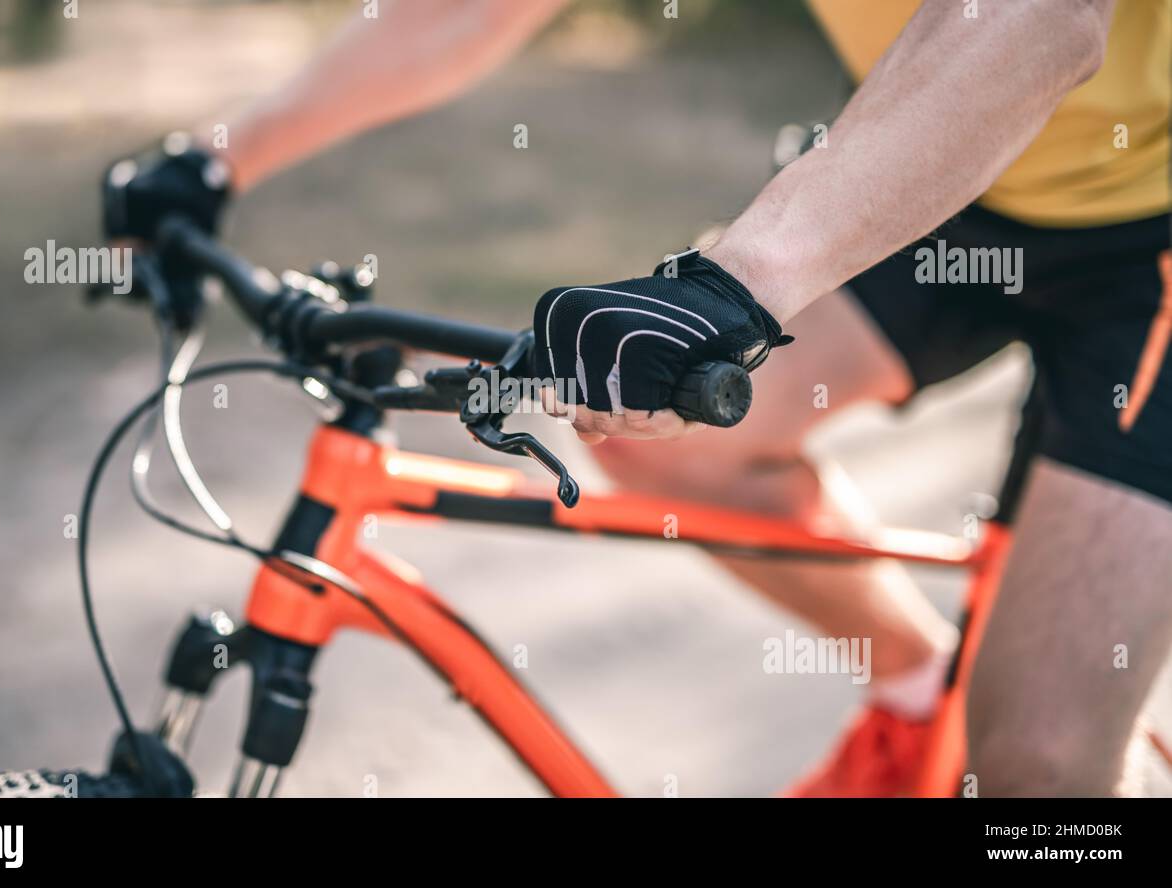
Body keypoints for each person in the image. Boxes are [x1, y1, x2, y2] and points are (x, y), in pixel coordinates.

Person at [101, 0, 1172, 797]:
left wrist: (739, 285)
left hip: (1151, 226)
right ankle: (913, 687)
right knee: (663, 439)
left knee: (1041, 768)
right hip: (953, 170)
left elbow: (1041, 21)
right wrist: (219, 160)